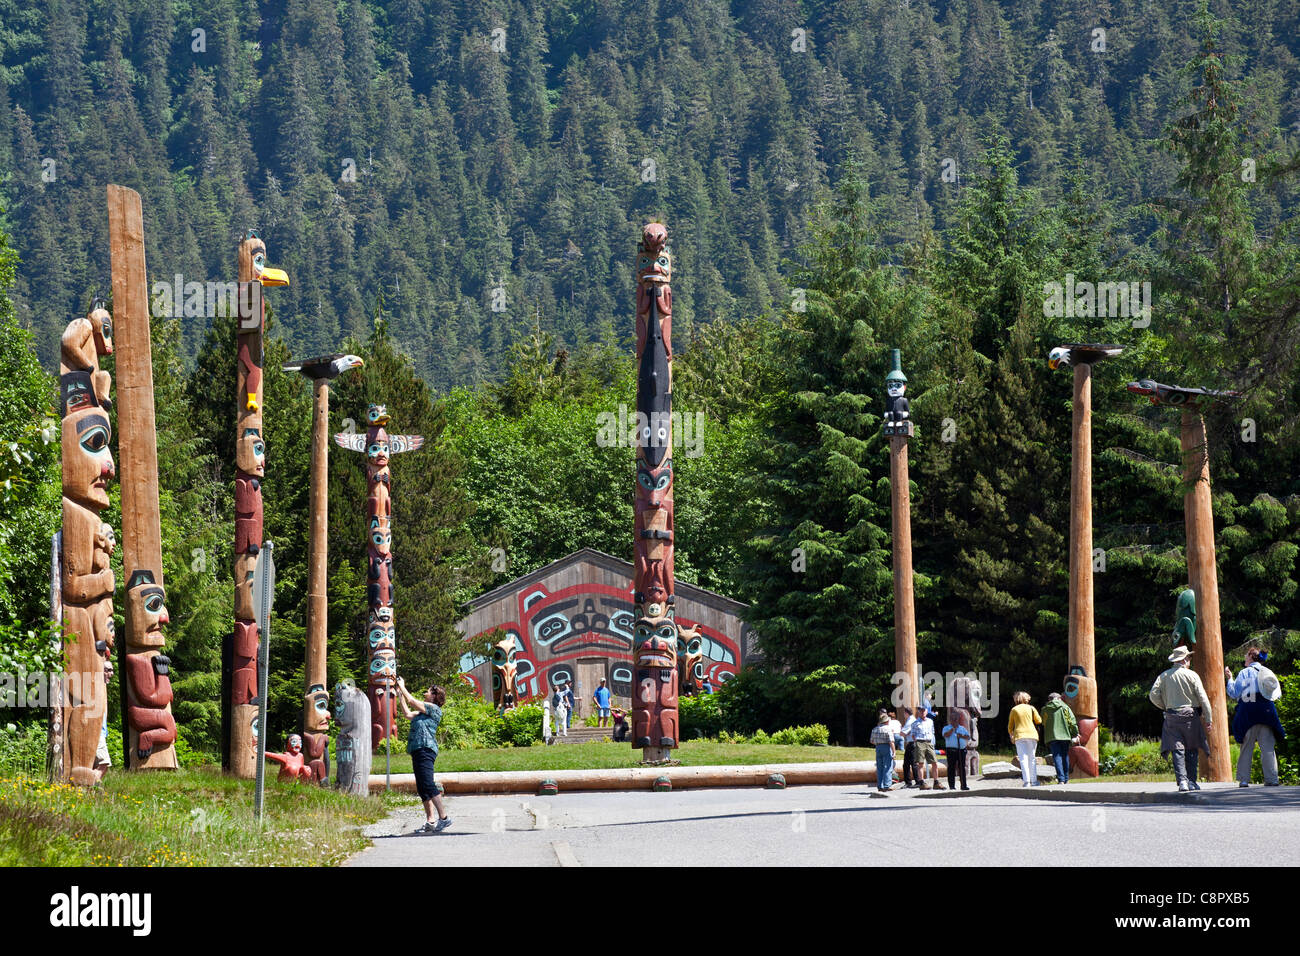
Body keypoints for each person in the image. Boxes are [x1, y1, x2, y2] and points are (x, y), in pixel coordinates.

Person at [1149, 646, 1213, 792]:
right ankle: (1191, 781)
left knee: (1177, 749)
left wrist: (1164, 705)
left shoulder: (1164, 676)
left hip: (1171, 716)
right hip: (1191, 716)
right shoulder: (1192, 675)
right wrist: (1208, 718)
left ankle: (1182, 782)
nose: (1189, 660)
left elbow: (1153, 695)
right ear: (1184, 659)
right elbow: (1203, 698)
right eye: (1189, 658)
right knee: (1191, 749)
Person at [1224, 647, 1285, 787]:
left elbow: (1234, 693)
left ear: (1251, 656)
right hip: (1266, 711)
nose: (1245, 657)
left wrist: (1230, 678)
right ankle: (1272, 779)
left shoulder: (1244, 673)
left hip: (1248, 710)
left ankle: (1244, 779)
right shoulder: (1268, 672)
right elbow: (1277, 694)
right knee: (1268, 747)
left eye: (1246, 655)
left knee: (1247, 746)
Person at [397, 677, 452, 833]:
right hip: (417, 749)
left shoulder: (434, 709)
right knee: (422, 787)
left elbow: (412, 701)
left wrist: (403, 686)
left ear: (434, 696)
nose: (425, 693)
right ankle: (431, 821)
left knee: (428, 784)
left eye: (428, 691)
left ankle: (444, 818)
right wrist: (400, 696)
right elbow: (408, 714)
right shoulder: (422, 712)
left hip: (426, 749)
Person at [1041, 691, 1079, 785]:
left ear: (1049, 700)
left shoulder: (1045, 709)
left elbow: (1043, 722)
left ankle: (1061, 779)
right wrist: (1075, 733)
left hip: (1052, 736)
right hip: (1065, 735)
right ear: (1059, 698)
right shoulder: (1065, 707)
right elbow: (1071, 722)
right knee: (1065, 756)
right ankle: (1066, 779)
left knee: (1057, 757)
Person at [1007, 691, 1043, 787]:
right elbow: (1039, 720)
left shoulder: (1014, 709)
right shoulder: (1031, 708)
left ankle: (1026, 782)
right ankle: (1034, 781)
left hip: (1019, 735)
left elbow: (1010, 726)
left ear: (1016, 699)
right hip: (1032, 735)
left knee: (1023, 759)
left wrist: (1011, 735)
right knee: (1032, 758)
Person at [908, 706, 945, 789]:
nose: (922, 712)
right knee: (920, 763)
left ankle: (936, 782)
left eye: (924, 711)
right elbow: (913, 735)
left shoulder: (930, 721)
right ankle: (921, 783)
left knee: (934, 763)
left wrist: (932, 743)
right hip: (920, 742)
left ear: (927, 711)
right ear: (918, 712)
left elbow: (932, 732)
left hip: (929, 742)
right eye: (921, 711)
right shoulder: (915, 723)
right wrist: (917, 743)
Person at [941, 707, 972, 791]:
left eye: (955, 719)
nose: (954, 720)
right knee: (951, 767)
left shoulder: (962, 728)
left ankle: (963, 785)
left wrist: (961, 735)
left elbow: (968, 736)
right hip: (951, 750)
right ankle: (952, 786)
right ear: (950, 720)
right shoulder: (946, 728)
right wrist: (953, 729)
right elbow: (945, 735)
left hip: (961, 750)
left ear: (958, 719)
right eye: (952, 719)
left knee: (962, 767)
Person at [870, 709, 898, 791]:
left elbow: (871, 741)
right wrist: (894, 752)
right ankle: (887, 785)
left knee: (880, 767)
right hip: (886, 747)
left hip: (878, 748)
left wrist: (878, 744)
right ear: (886, 721)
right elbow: (891, 742)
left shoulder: (875, 729)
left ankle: (880, 785)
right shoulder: (888, 729)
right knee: (888, 767)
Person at [899, 706, 917, 788]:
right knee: (913, 763)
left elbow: (902, 733)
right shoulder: (914, 719)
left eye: (904, 713)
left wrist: (899, 730)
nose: (903, 715)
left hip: (911, 743)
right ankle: (917, 781)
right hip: (913, 743)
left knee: (907, 764)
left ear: (906, 713)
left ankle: (909, 782)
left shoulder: (910, 720)